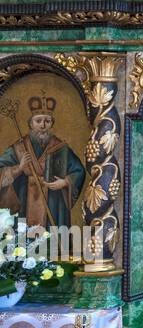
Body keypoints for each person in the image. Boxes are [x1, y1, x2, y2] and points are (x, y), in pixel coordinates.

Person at [0, 96, 84, 229]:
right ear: (31, 123)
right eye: (38, 121)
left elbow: (79, 170)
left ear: (52, 123)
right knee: (25, 245)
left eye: (47, 121)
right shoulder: (19, 147)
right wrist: (19, 168)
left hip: (53, 203)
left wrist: (65, 182)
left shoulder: (60, 147)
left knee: (52, 244)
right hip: (25, 202)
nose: (43, 125)